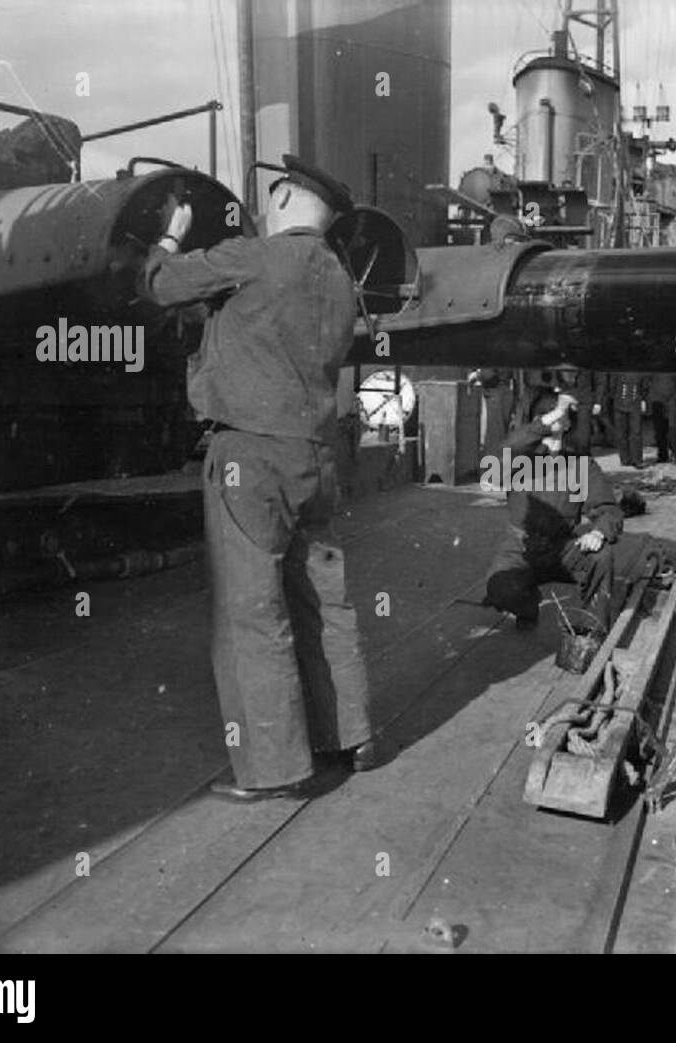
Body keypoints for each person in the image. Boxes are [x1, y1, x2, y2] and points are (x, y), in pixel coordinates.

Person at [138, 154, 380, 801]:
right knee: (323, 599)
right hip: (315, 459)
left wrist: (170, 232)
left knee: (251, 611)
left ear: (283, 197)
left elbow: (161, 284)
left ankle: (275, 769)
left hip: (249, 458)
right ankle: (352, 735)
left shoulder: (256, 256)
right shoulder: (337, 276)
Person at [483, 390, 623, 633]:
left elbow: (608, 509)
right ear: (538, 420)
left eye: (562, 416)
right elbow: (501, 452)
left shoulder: (579, 464)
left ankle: (590, 630)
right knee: (501, 589)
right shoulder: (518, 459)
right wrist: (553, 416)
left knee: (601, 557)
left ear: (569, 423)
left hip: (562, 547)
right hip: (519, 549)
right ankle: (528, 607)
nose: (557, 420)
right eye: (547, 414)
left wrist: (598, 533)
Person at [608, 372, 648, 468]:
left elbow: (645, 387)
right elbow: (612, 387)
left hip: (635, 404)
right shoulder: (617, 371)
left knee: (636, 432)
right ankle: (625, 458)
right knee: (621, 433)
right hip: (619, 404)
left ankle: (637, 460)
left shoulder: (640, 372)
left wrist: (643, 399)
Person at [646, 372, 676, 463]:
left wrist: (675, 396)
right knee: (659, 429)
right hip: (656, 400)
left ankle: (675, 454)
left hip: (671, 400)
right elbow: (646, 381)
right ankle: (662, 455)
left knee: (672, 428)